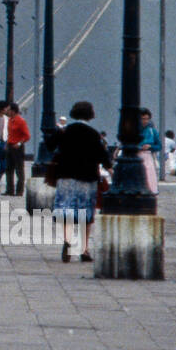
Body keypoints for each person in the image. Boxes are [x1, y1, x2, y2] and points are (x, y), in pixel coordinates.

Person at [46, 102, 111, 259]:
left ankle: (67, 242)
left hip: (66, 175)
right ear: (90, 114)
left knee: (67, 211)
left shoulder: (64, 131)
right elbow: (102, 156)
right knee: (86, 213)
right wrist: (110, 168)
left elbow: (49, 145)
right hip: (86, 177)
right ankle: (84, 249)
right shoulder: (94, 134)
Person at [4, 102, 30, 196]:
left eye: (9, 110)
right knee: (8, 168)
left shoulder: (21, 121)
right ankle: (9, 190)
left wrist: (19, 143)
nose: (8, 111)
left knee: (19, 169)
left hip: (18, 147)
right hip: (10, 146)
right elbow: (10, 134)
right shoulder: (10, 120)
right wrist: (7, 144)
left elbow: (27, 135)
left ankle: (19, 191)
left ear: (13, 111)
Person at [137, 108, 160, 192]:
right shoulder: (134, 131)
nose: (145, 121)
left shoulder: (152, 131)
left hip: (147, 156)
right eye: (143, 119)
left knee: (149, 178)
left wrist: (150, 147)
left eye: (147, 119)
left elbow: (159, 146)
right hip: (136, 155)